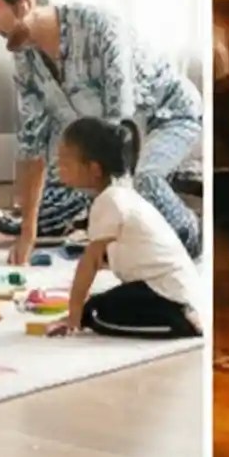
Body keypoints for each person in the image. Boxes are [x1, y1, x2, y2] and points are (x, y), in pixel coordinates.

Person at [0, 0, 203, 265]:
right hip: (115, 138)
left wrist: (109, 227)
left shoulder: (101, 30)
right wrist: (29, 232)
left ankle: (191, 235)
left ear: (24, 3)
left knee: (144, 180)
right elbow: (32, 147)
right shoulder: (25, 58)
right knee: (55, 196)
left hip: (168, 118)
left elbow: (119, 132)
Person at [46, 117, 202, 339]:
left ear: (94, 169)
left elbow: (89, 263)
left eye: (65, 163)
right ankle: (181, 314)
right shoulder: (120, 193)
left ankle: (181, 321)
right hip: (164, 287)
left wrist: (74, 315)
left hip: (166, 295)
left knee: (95, 312)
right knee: (100, 303)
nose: (58, 168)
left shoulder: (109, 200)